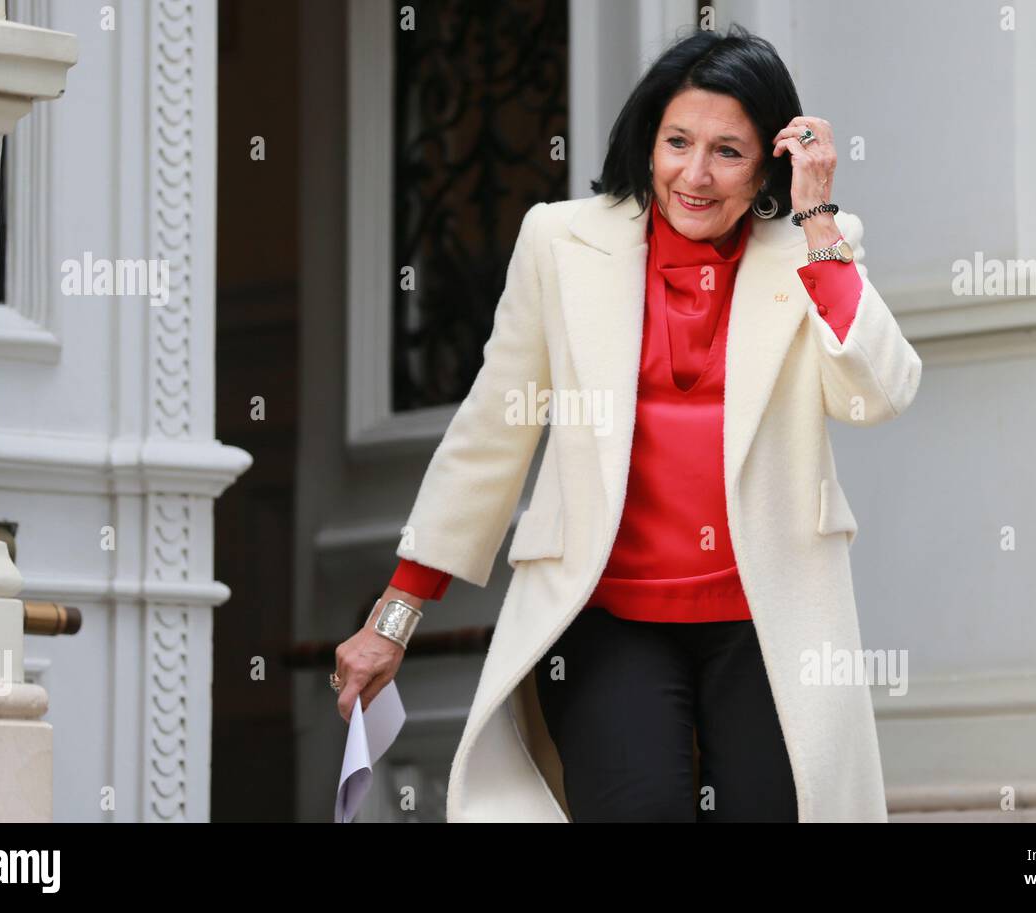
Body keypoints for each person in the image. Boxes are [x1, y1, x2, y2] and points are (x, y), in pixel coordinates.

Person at [333, 23, 921, 822]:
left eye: (728, 151)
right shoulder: (561, 242)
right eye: (677, 141)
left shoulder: (814, 250)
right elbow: (492, 431)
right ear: (647, 141)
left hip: (769, 618)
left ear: (770, 167)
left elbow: (878, 393)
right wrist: (395, 615)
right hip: (607, 620)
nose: (695, 174)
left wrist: (819, 223)